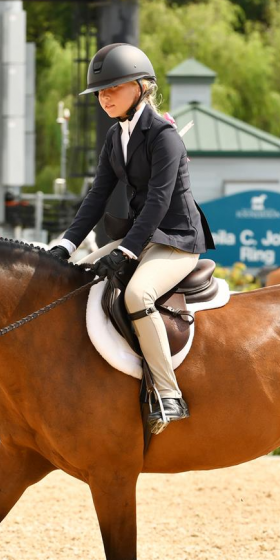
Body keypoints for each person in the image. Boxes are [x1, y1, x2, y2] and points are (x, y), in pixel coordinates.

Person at [47, 42, 215, 433]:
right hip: (143, 236)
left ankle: (167, 393)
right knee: (74, 277)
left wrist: (124, 250)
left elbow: (158, 201)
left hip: (175, 239)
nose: (104, 97)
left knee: (138, 295)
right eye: (100, 92)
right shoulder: (114, 137)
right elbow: (96, 197)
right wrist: (66, 245)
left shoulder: (164, 136)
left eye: (113, 88)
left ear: (141, 86)